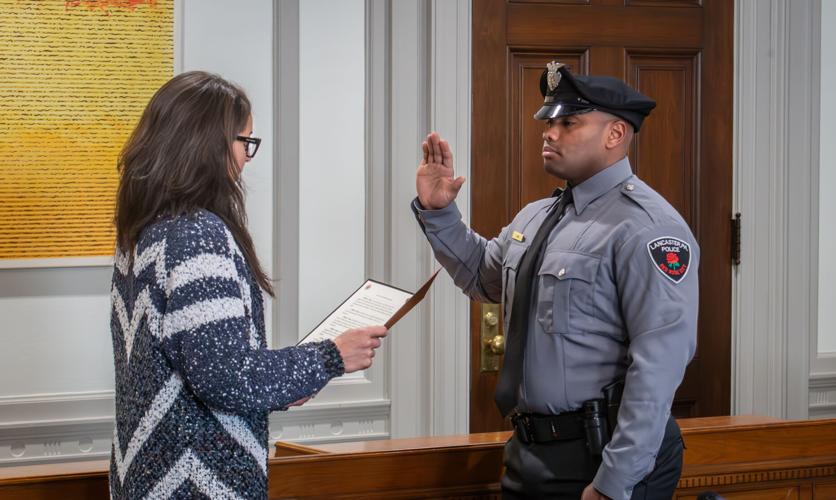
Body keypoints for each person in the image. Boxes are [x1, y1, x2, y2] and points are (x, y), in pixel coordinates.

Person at [412, 61, 698, 500]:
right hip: (530, 451)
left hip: (600, 455)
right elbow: (482, 277)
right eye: (549, 120)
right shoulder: (537, 216)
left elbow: (658, 367)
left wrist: (614, 482)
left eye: (568, 122)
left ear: (615, 134)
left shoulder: (647, 228)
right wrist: (440, 212)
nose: (549, 131)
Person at [109, 71, 387, 499]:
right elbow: (227, 375)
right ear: (207, 143)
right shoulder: (196, 235)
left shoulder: (143, 236)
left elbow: (203, 365)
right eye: (245, 142)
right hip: (197, 486)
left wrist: (284, 382)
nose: (247, 158)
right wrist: (331, 356)